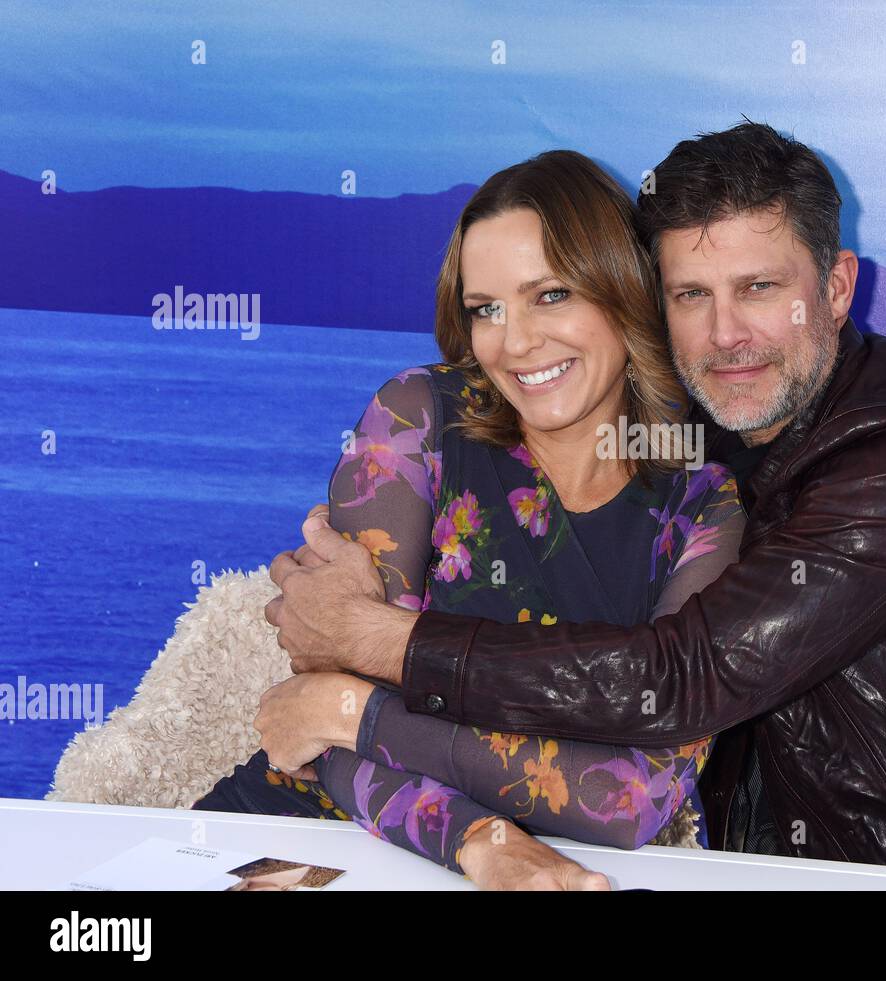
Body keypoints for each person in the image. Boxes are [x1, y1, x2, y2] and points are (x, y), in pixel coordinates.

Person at [264, 121, 886, 890]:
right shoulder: (703, 438)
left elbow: (679, 681)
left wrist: (371, 646)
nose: (727, 335)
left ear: (837, 288)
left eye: (760, 288)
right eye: (691, 294)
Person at [193, 149, 746, 889]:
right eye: (486, 308)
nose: (513, 342)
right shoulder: (416, 420)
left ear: (624, 289)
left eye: (550, 295)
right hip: (303, 844)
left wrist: (354, 711)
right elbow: (313, 732)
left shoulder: (702, 507)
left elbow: (630, 796)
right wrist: (480, 838)